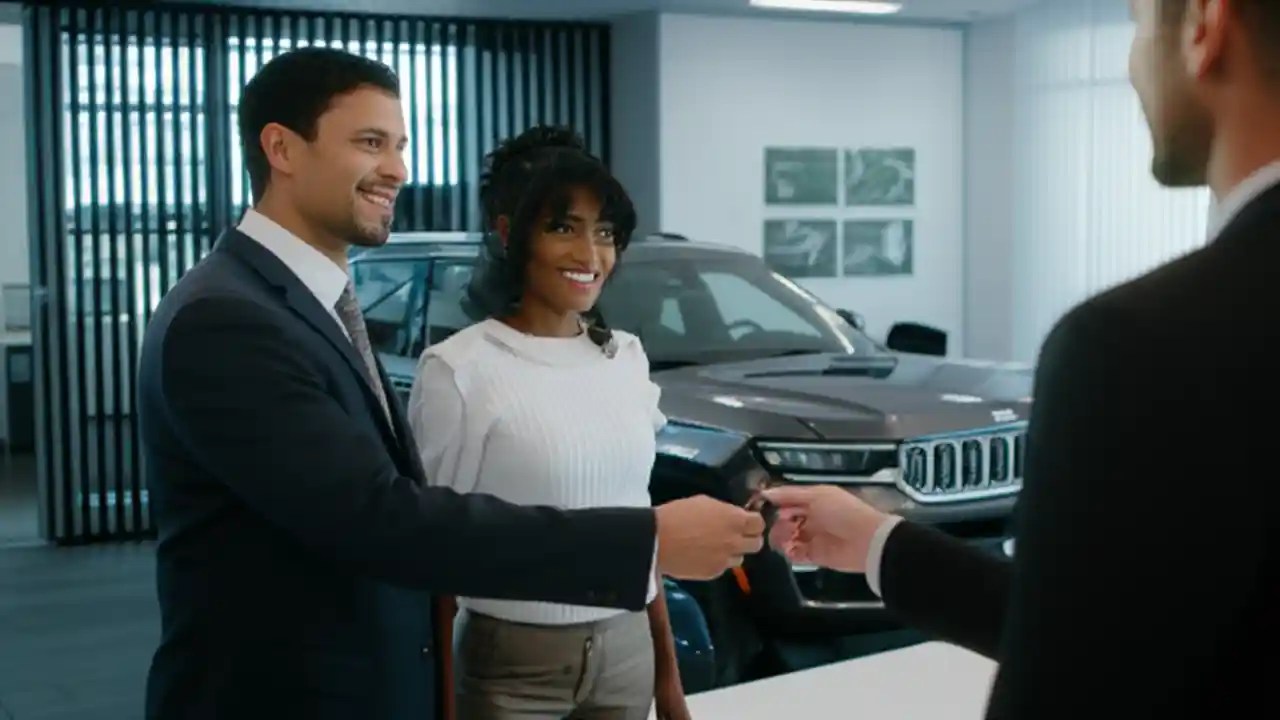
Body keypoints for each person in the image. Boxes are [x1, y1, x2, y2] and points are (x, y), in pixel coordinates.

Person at [136, 47, 764, 720]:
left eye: (401, 146)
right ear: (282, 148)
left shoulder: (306, 301)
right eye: (370, 142)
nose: (398, 171)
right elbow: (379, 519)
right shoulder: (227, 319)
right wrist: (644, 542)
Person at [764, 0, 1279, 717]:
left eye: (1134, 24)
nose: (1132, 67)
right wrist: (881, 543)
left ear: (1203, 25)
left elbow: (1071, 679)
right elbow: (1108, 625)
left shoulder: (1134, 345)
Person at [407, 125, 690, 720]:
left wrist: (669, 681)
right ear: (510, 233)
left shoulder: (627, 358)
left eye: (605, 233)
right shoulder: (459, 370)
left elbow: (638, 530)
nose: (590, 257)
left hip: (627, 648)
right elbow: (434, 559)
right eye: (563, 227)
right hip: (509, 666)